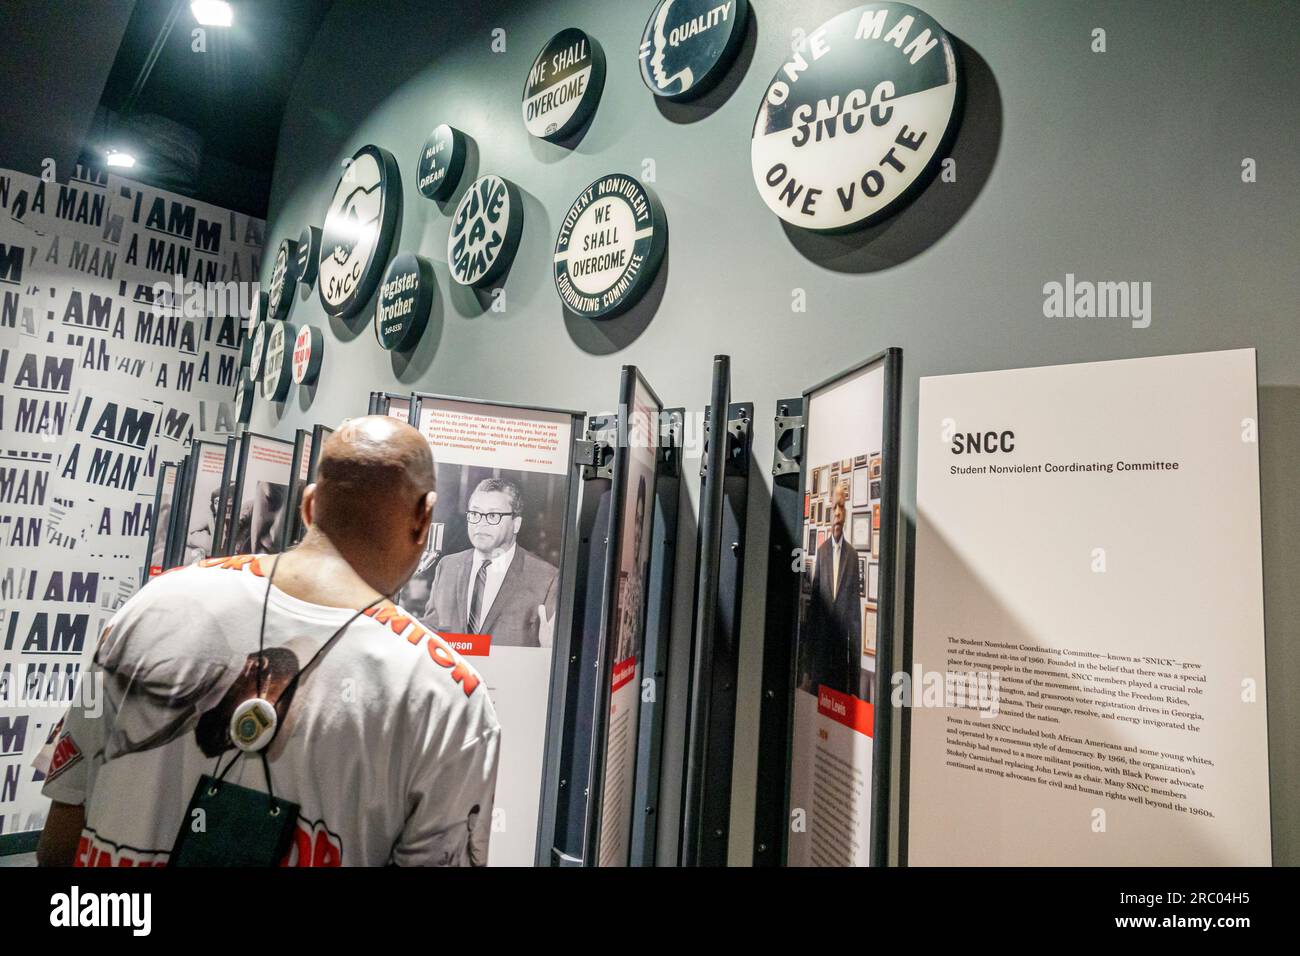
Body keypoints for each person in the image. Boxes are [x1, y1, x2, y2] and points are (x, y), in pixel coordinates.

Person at [36, 415, 500, 867]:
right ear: (423, 517)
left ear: (309, 505)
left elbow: (60, 835)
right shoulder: (448, 695)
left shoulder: (151, 605)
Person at [423, 477, 558, 648]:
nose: (481, 523)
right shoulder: (448, 566)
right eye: (475, 514)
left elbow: (548, 650)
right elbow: (431, 630)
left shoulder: (546, 578)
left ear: (516, 524)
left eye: (493, 515)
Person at [804, 498, 862, 697]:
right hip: (819, 661)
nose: (837, 513)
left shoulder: (853, 557)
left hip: (840, 665)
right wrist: (807, 669)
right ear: (829, 514)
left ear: (845, 514)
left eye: (841, 507)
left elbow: (855, 620)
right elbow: (813, 612)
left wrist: (854, 683)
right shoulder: (821, 553)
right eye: (834, 508)